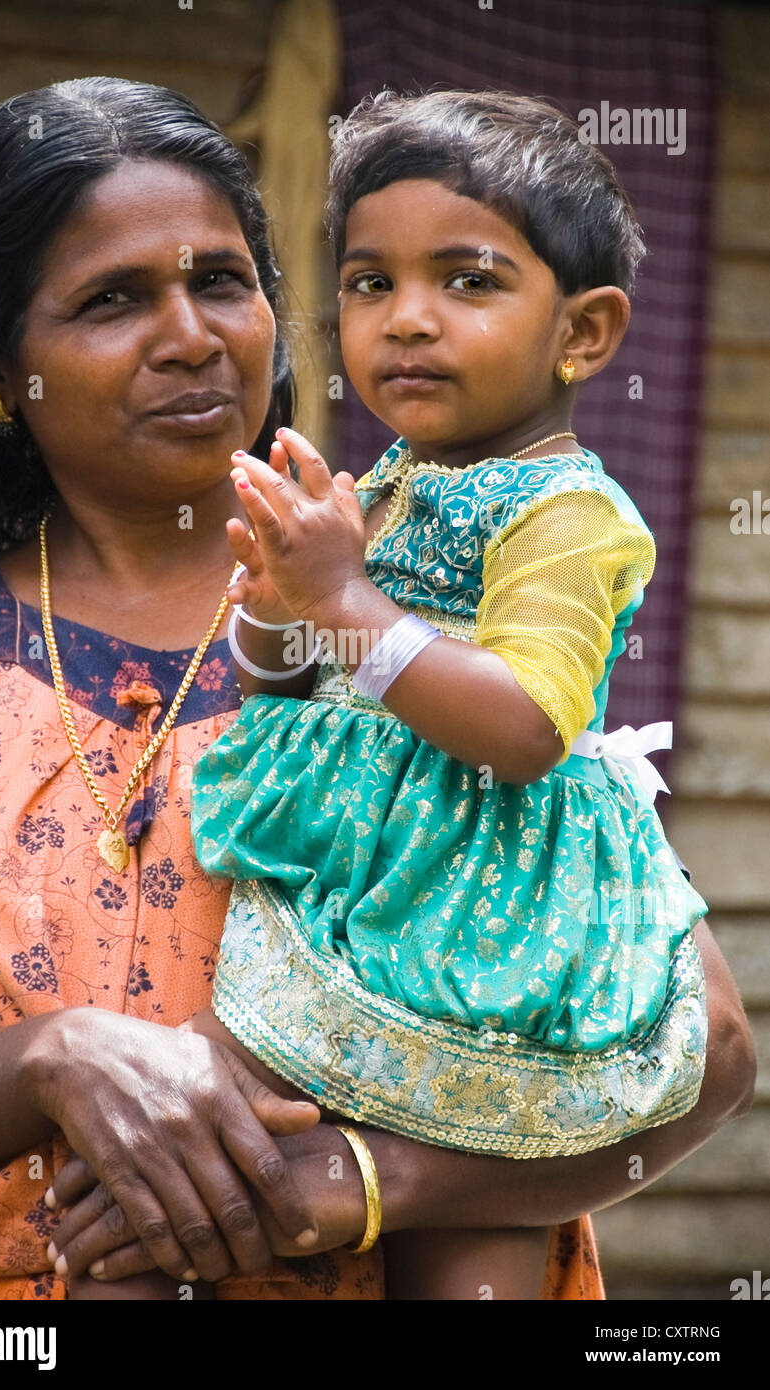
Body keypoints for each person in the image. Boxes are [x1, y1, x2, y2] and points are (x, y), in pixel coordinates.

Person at [0, 78, 753, 1304]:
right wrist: (47, 1061)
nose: (192, 335)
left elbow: (699, 1048)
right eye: (110, 301)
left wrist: (376, 1180)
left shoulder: (418, 593)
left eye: (222, 281)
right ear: (0, 368)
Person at [185, 90, 725, 1299]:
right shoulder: (377, 486)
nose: (406, 321)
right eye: (371, 284)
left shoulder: (568, 515)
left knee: (463, 1248)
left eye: (467, 282)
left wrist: (349, 600)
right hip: (348, 899)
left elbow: (525, 729)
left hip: (492, 922)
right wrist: (278, 605)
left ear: (582, 333)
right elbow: (281, 691)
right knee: (217, 1182)